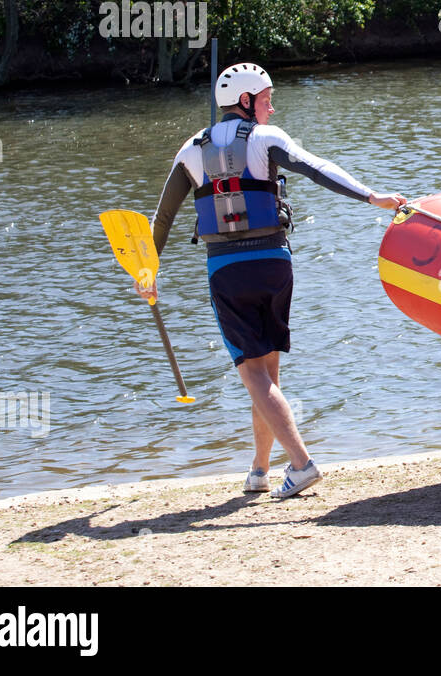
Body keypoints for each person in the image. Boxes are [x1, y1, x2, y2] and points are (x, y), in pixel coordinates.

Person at [140, 63, 405, 499]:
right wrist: (370, 196)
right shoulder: (268, 138)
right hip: (276, 267)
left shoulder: (190, 149)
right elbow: (315, 168)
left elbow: (163, 219)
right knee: (267, 374)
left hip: (227, 272)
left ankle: (301, 464)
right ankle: (260, 470)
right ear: (245, 101)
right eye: (266, 99)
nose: (271, 106)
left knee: (254, 376)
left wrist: (148, 270)